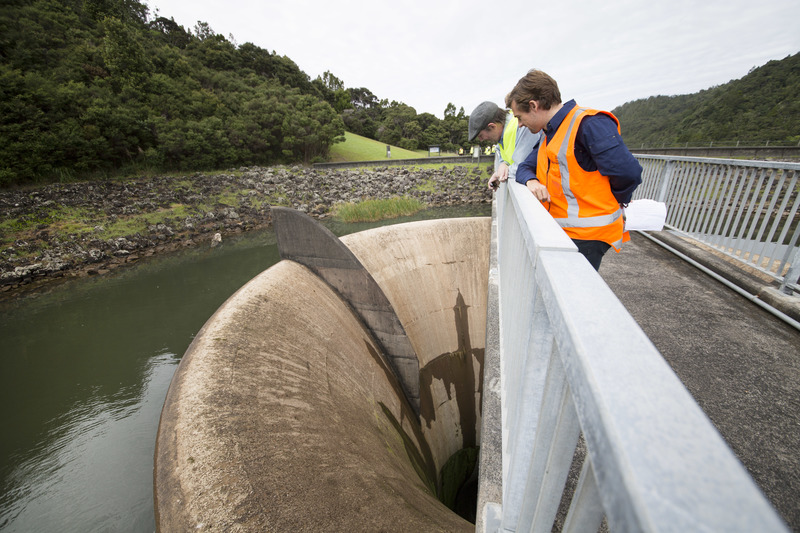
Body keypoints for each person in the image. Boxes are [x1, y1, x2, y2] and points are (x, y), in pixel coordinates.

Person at [507, 70, 642, 270]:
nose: (519, 125)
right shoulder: (550, 133)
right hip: (566, 233)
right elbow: (525, 167)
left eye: (520, 117)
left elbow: (628, 173)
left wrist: (613, 199)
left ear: (534, 106)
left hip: (588, 236)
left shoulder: (589, 124)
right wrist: (531, 181)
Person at [467, 101, 540, 189]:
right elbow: (501, 151)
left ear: (492, 127)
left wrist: (499, 174)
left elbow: (520, 167)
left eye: (481, 136)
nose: (481, 140)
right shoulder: (502, 135)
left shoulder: (522, 126)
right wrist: (504, 164)